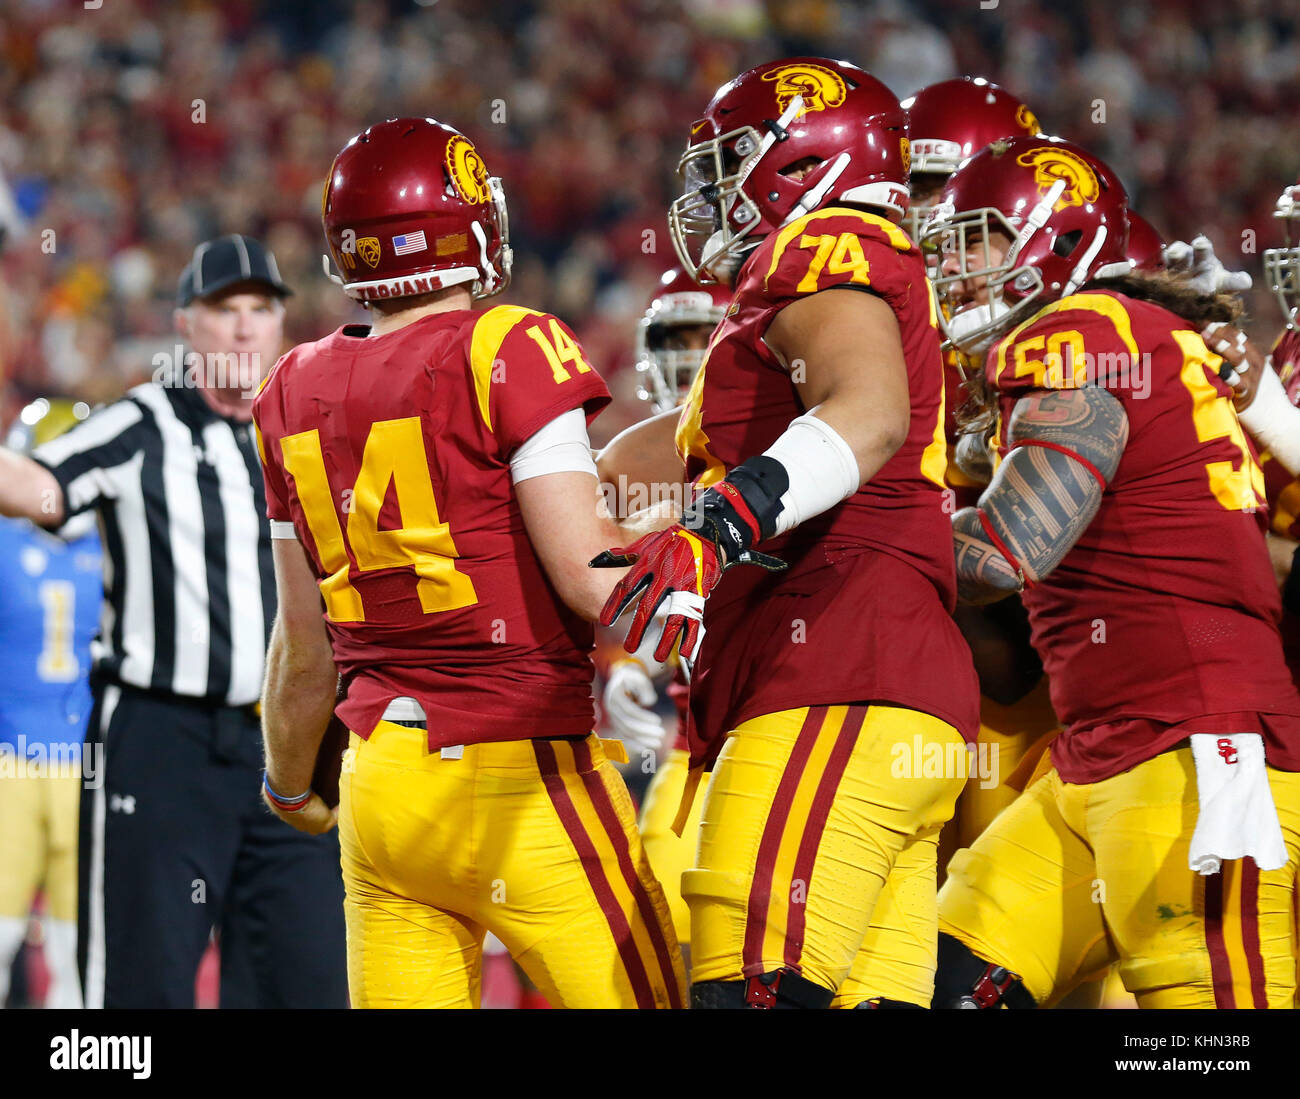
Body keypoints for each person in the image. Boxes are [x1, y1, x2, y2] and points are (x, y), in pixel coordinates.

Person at [253, 117, 685, 1009]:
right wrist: (703, 549)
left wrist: (291, 787)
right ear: (470, 227)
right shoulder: (508, 345)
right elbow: (587, 573)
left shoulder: (289, 386)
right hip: (523, 769)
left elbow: (304, 651)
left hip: (383, 788)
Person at [596, 56, 979, 1009]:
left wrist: (717, 528)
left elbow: (867, 412)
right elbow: (666, 463)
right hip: (885, 694)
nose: (712, 194)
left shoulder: (833, 240)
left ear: (803, 161)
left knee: (751, 986)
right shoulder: (797, 292)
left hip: (837, 678)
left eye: (731, 162)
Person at [924, 134, 1300, 1008]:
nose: (955, 269)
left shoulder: (1079, 330)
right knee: (943, 981)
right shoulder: (1142, 337)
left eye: (974, 241)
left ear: (1051, 239)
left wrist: (859, 542)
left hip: (1195, 749)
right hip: (1099, 756)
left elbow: (1009, 546)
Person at [0, 234, 348, 1008]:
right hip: (162, 746)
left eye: (262, 308)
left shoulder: (310, 430)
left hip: (290, 748)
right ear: (186, 324)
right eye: (225, 309)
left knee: (309, 980)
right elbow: (41, 488)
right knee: (139, 987)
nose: (246, 327)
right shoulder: (142, 425)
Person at [600, 266, 730, 965]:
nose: (686, 358)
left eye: (703, 337)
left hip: (798, 715)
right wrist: (620, 668)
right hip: (691, 739)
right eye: (673, 340)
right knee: (659, 940)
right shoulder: (629, 457)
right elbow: (587, 582)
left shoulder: (800, 432)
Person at [0, 399, 101, 1008]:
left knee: (75, 958)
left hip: (21, 766)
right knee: (77, 965)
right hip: (76, 771)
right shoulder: (120, 546)